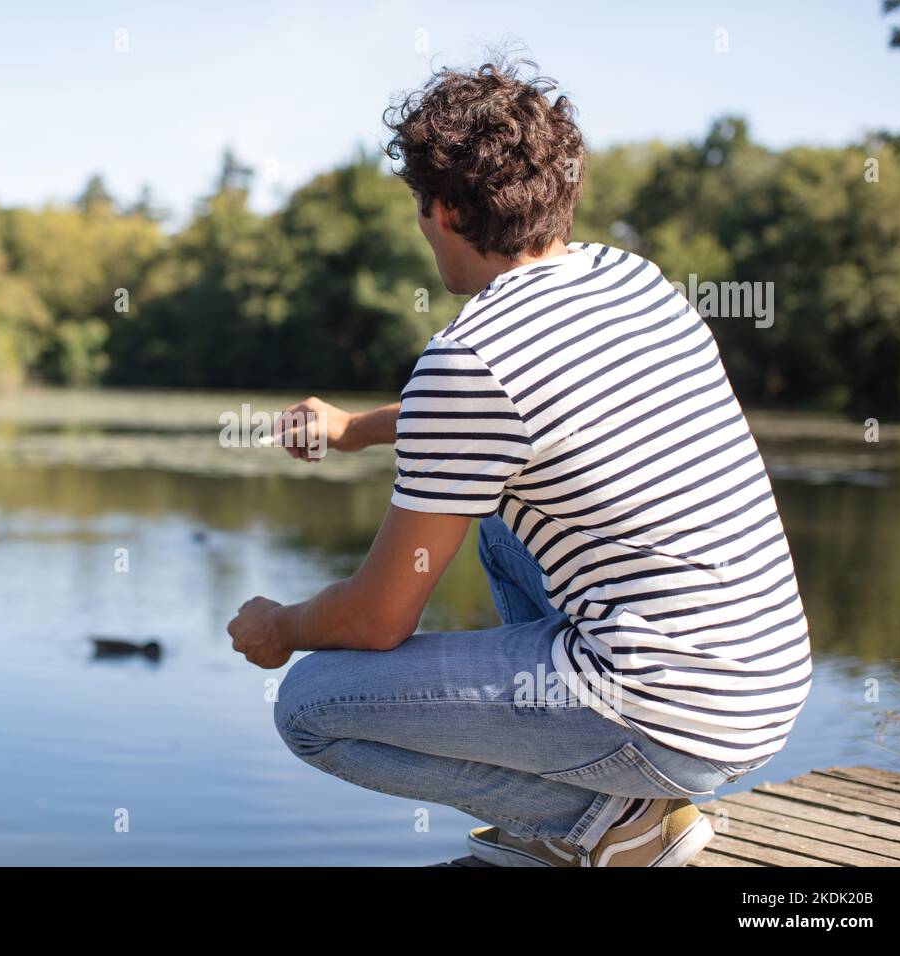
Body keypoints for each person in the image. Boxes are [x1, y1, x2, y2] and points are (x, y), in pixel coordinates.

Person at [226, 57, 812, 867]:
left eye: (419, 206)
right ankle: (611, 801)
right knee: (502, 524)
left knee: (311, 706)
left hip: (676, 714)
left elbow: (374, 619)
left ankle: (603, 824)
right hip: (766, 690)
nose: (421, 225)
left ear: (449, 207)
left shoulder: (471, 355)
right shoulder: (630, 280)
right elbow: (515, 419)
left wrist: (279, 626)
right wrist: (354, 430)